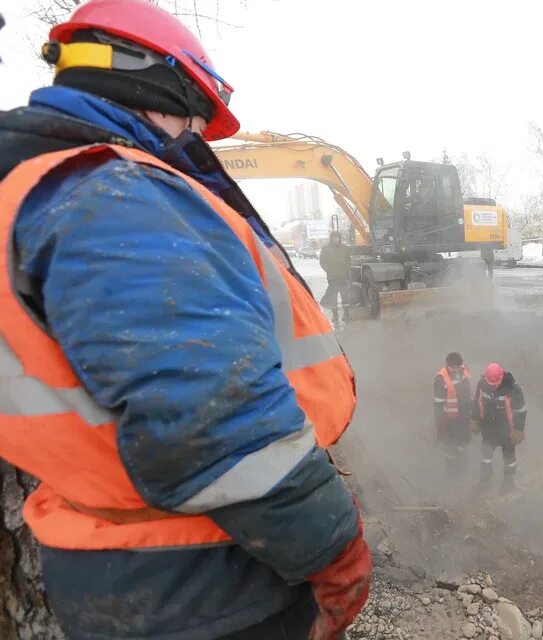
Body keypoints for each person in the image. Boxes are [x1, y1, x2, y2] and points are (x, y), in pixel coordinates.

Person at [0, 1, 370, 639]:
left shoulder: (35, 188)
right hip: (204, 571)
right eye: (194, 113)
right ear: (148, 84)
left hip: (121, 560)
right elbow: (213, 419)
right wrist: (334, 551)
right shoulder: (112, 196)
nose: (194, 134)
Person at [472, 363, 527, 494]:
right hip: (488, 428)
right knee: (486, 456)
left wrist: (519, 430)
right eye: (491, 383)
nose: (493, 386)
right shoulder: (481, 385)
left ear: (501, 377)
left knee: (509, 458)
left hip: (508, 430)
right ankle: (484, 482)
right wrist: (474, 419)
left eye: (496, 383)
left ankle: (508, 483)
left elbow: (520, 410)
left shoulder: (513, 388)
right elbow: (476, 402)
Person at [433, 352, 473, 478]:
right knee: (449, 448)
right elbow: (438, 406)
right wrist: (440, 427)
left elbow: (470, 393)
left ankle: (463, 471)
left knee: (463, 444)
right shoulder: (440, 380)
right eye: (453, 367)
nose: (455, 370)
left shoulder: (464, 371)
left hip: (465, 416)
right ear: (447, 365)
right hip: (450, 420)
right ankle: (451, 475)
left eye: (458, 367)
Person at [319, 230, 351, 328]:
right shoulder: (325, 248)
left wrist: (346, 269)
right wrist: (328, 270)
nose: (336, 239)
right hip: (332, 278)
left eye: (337, 237)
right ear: (331, 238)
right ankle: (335, 318)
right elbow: (322, 262)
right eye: (334, 237)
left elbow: (349, 260)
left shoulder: (345, 248)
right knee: (333, 300)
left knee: (345, 298)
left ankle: (346, 316)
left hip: (343, 277)